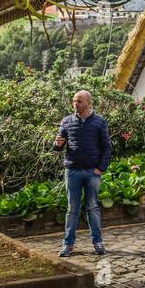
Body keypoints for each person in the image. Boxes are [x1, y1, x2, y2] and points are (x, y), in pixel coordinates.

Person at [54, 90, 111, 257]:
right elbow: (58, 146)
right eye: (73, 101)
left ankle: (97, 242)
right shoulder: (67, 121)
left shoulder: (99, 122)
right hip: (72, 171)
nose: (75, 104)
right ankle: (67, 245)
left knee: (92, 207)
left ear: (88, 103)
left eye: (79, 101)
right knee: (72, 209)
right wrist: (56, 145)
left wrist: (100, 168)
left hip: (92, 172)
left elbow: (107, 148)